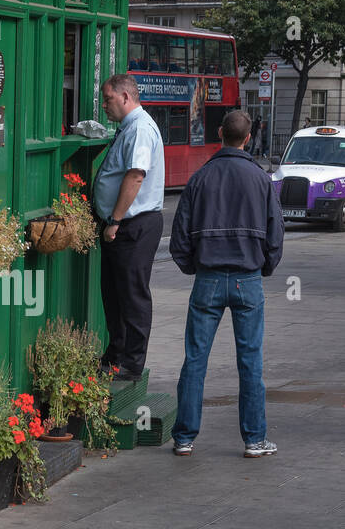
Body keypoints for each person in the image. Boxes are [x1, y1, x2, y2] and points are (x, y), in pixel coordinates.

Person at [168, 109, 283, 458]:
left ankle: (185, 438)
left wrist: (194, 267)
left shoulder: (200, 178)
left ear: (220, 133)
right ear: (248, 138)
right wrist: (264, 267)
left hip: (208, 279)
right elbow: (275, 236)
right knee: (250, 361)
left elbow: (179, 238)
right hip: (247, 280)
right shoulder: (261, 180)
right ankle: (254, 440)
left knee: (195, 360)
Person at [94, 74, 166, 379]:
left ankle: (132, 362)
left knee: (132, 295)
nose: (104, 106)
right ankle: (116, 354)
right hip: (125, 224)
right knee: (114, 293)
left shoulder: (139, 128)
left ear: (125, 97)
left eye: (108, 99)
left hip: (133, 225)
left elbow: (136, 175)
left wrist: (115, 220)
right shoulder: (129, 126)